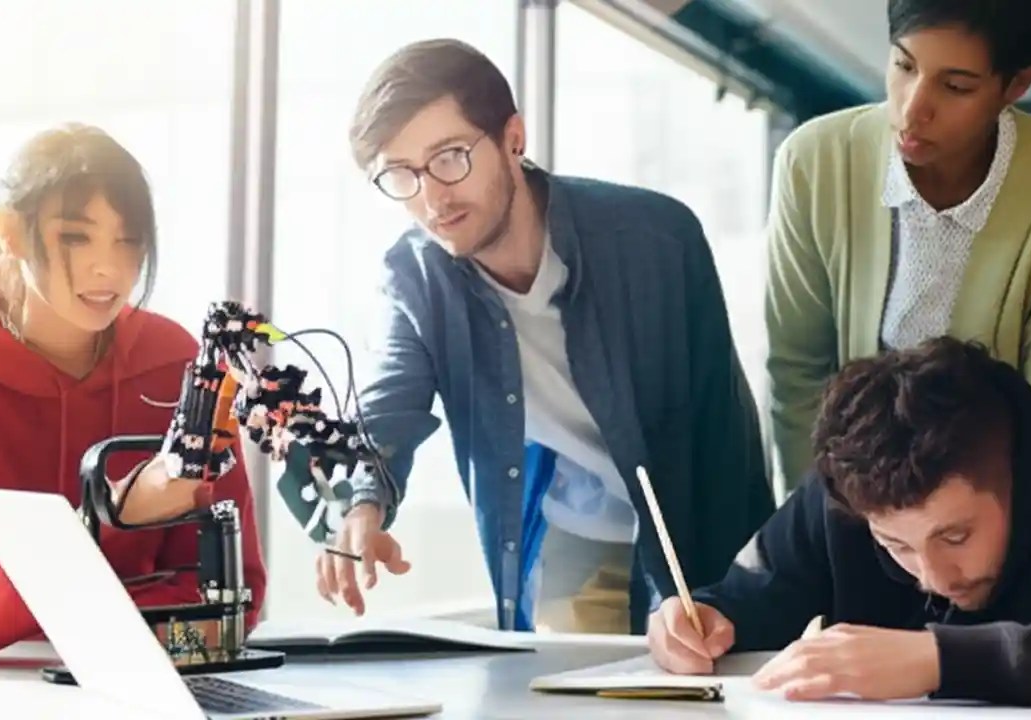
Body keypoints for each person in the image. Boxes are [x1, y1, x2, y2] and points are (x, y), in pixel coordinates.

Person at [284, 38, 771, 635]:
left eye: (450, 157)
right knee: (567, 693)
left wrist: (733, 590)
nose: (432, 197)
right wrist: (361, 508)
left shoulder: (657, 240)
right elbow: (388, 411)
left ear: (513, 139)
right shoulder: (415, 275)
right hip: (576, 526)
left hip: (689, 528)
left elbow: (719, 435)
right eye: (401, 175)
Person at [648, 337, 1031, 715]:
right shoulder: (847, 489)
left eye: (955, 536)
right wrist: (699, 619)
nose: (933, 576)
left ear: (1018, 476)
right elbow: (751, 597)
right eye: (894, 544)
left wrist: (940, 659)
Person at [0, 124, 267, 663]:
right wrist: (110, 516)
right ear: (9, 233)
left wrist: (57, 616)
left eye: (128, 240)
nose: (109, 267)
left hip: (142, 691)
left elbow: (231, 599)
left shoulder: (176, 365)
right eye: (76, 237)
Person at [765, 0, 1031, 497]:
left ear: (1017, 84)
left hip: (997, 509)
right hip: (845, 500)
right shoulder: (813, 162)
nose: (914, 109)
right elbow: (797, 374)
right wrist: (815, 532)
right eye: (903, 65)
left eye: (956, 86)